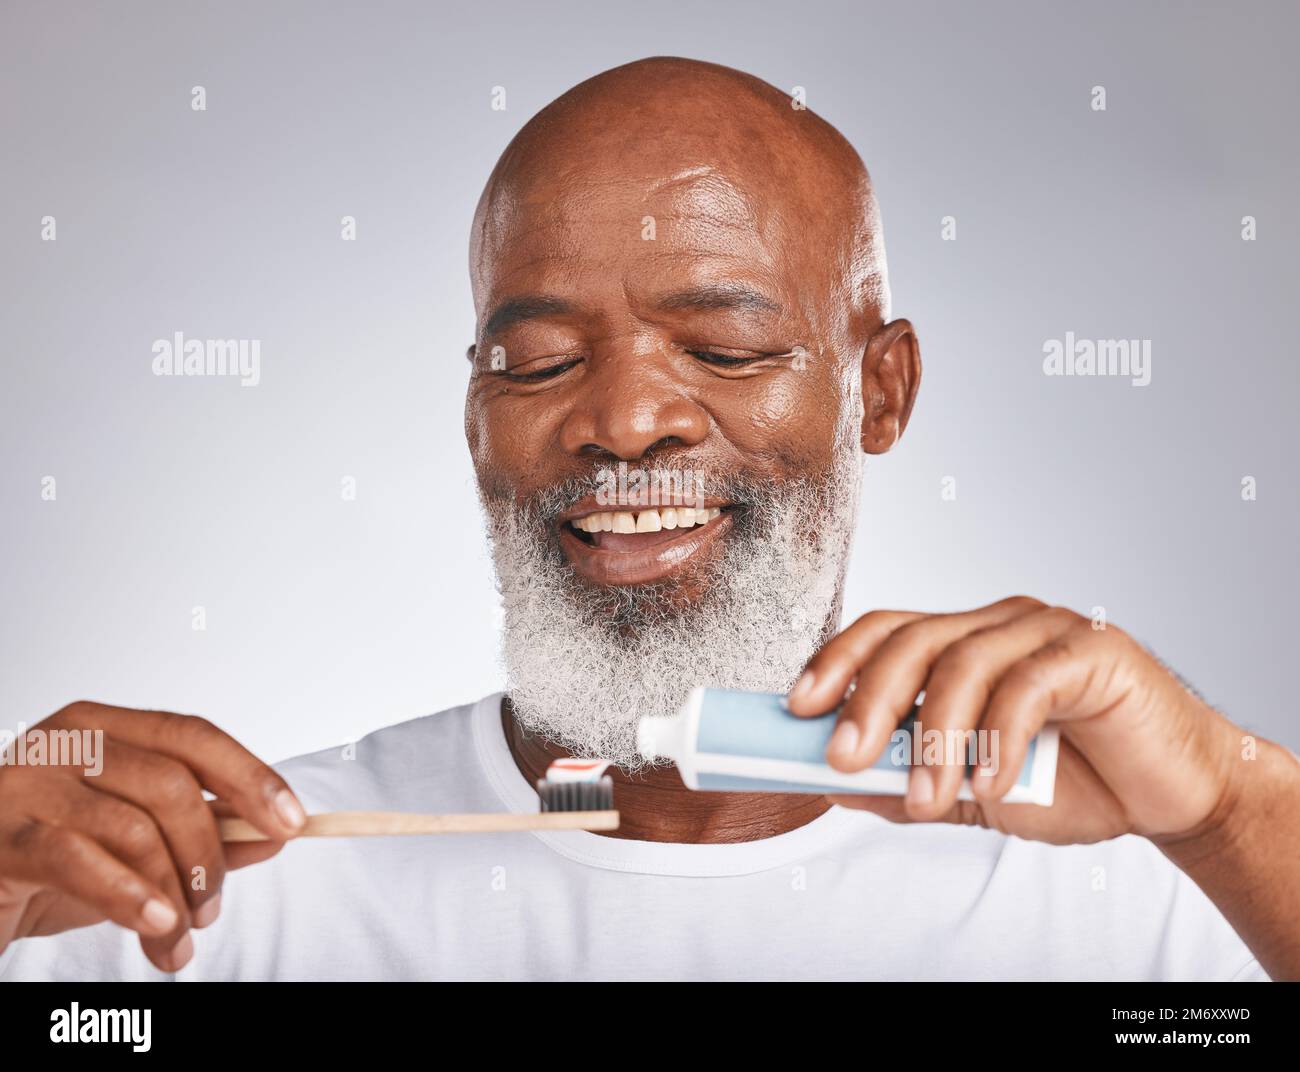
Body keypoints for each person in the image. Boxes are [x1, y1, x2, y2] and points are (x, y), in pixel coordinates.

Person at [1, 57, 1295, 982]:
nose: (624, 423)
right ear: (473, 417)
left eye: (725, 348)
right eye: (540, 363)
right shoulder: (200, 895)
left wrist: (1234, 807)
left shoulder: (1157, 895)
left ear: (882, 390)